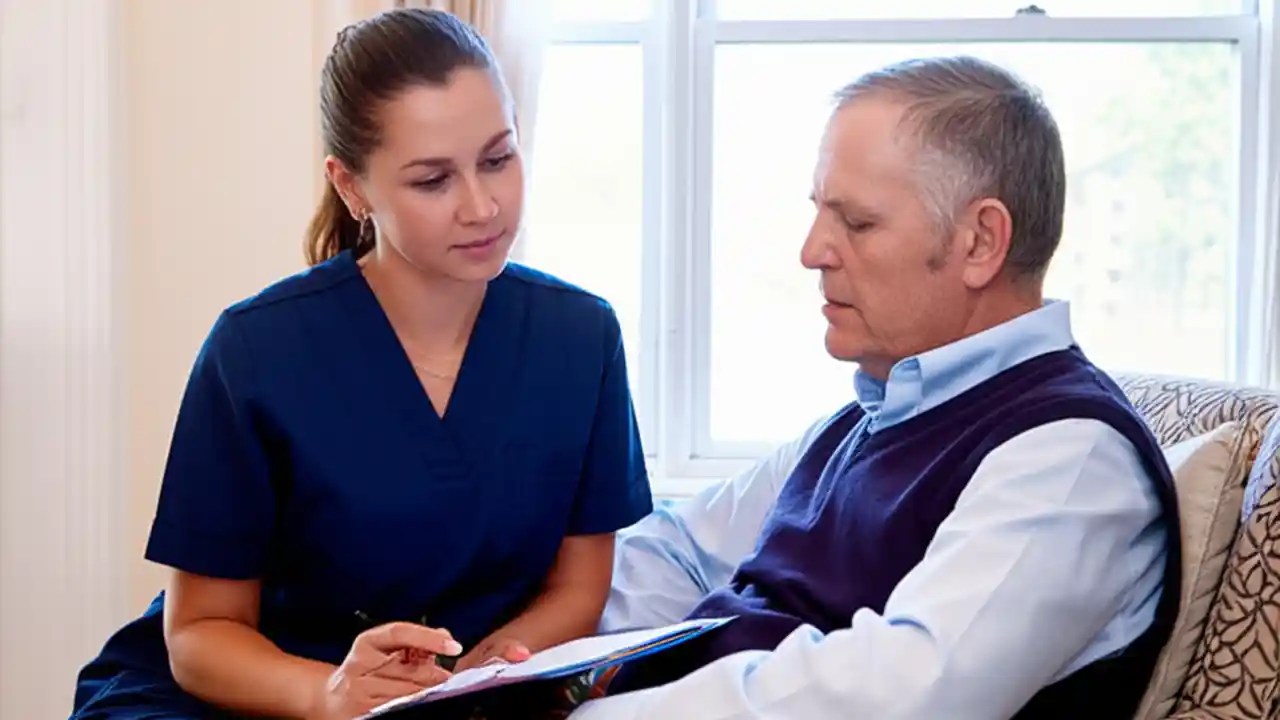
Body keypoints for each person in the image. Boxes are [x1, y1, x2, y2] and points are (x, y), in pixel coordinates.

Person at [71, 8, 651, 720]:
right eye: (433, 180)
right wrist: (332, 694)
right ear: (351, 187)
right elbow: (197, 634)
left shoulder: (582, 337)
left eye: (498, 159)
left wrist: (483, 675)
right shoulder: (255, 352)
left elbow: (580, 588)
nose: (483, 205)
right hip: (260, 694)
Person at [572, 56, 1181, 720]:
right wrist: (503, 652)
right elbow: (681, 556)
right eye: (820, 214)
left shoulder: (1072, 460)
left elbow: (910, 692)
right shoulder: (872, 417)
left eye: (856, 223)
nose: (813, 251)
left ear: (980, 241)